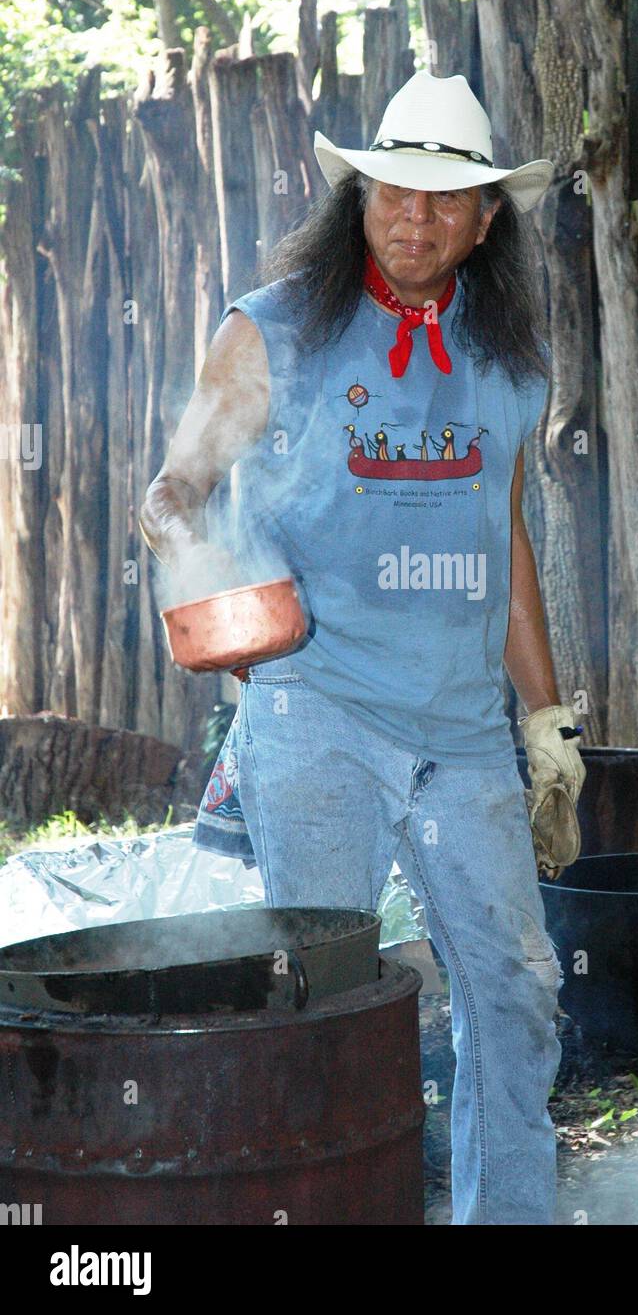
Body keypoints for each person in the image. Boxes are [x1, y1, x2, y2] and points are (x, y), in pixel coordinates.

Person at [139, 70, 586, 1225]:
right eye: (397, 190)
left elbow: (506, 537)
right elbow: (185, 481)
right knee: (325, 997)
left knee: (520, 992)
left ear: (489, 219)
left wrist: (545, 720)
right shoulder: (271, 328)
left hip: (460, 733)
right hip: (316, 709)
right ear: (360, 197)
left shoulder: (508, 361)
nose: (416, 218)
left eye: (448, 200)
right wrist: (179, 517)